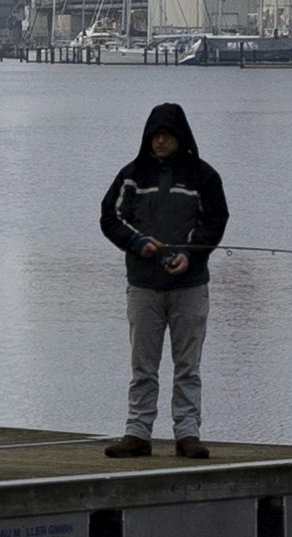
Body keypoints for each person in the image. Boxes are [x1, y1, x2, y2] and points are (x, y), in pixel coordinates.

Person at [95, 99, 228, 458]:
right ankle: (137, 432)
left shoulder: (204, 177)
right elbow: (110, 218)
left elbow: (215, 222)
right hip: (143, 285)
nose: (160, 142)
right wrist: (138, 244)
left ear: (180, 137)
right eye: (155, 135)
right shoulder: (131, 176)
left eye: (167, 135)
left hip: (190, 286)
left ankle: (187, 433)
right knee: (143, 366)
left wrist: (190, 254)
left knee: (188, 366)